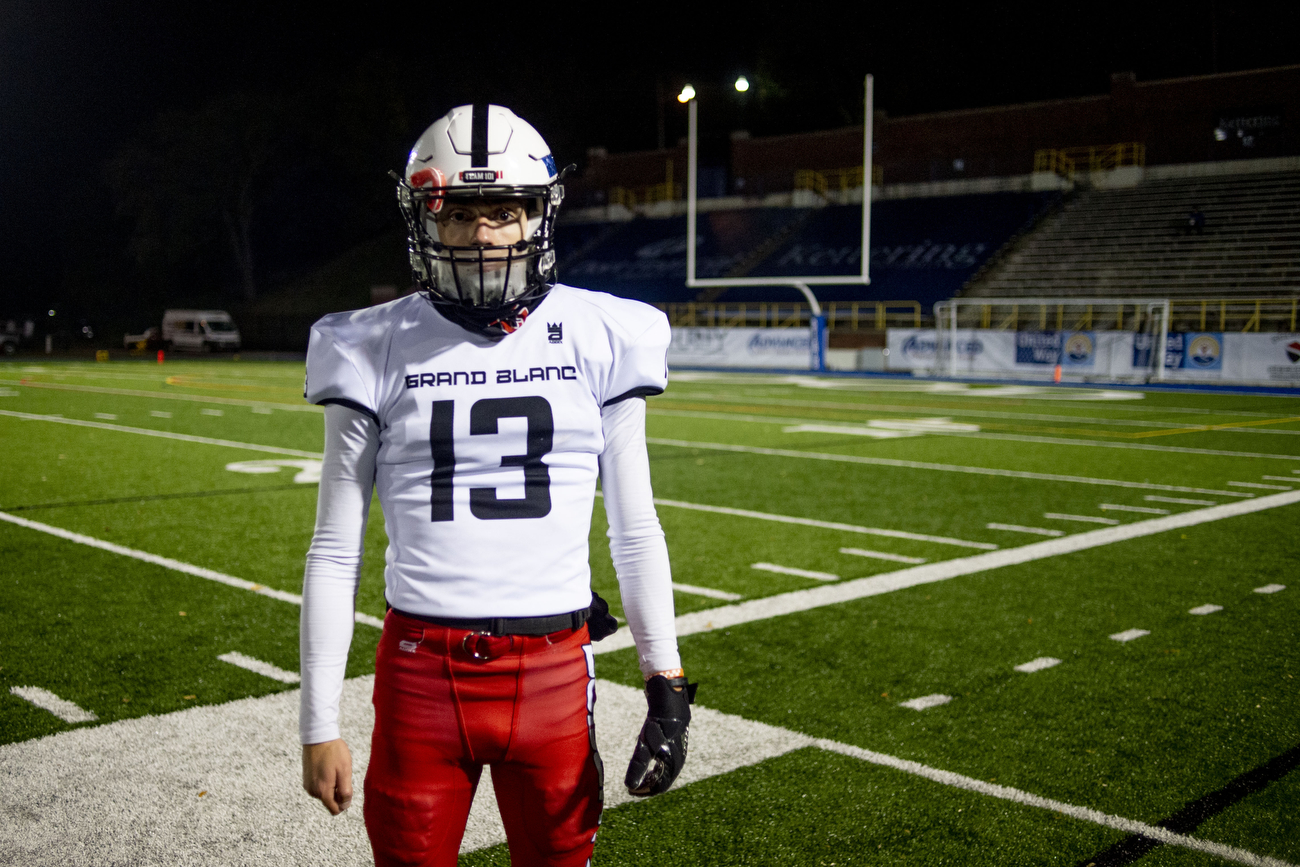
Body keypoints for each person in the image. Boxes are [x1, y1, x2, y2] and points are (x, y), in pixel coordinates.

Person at [298, 104, 694, 867]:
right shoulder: (368, 343)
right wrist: (319, 719)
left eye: (504, 211)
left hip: (552, 672)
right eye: (458, 213)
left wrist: (665, 678)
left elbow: (635, 528)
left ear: (537, 217)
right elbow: (333, 544)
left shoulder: (600, 332)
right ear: (424, 220)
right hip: (420, 674)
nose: (482, 233)